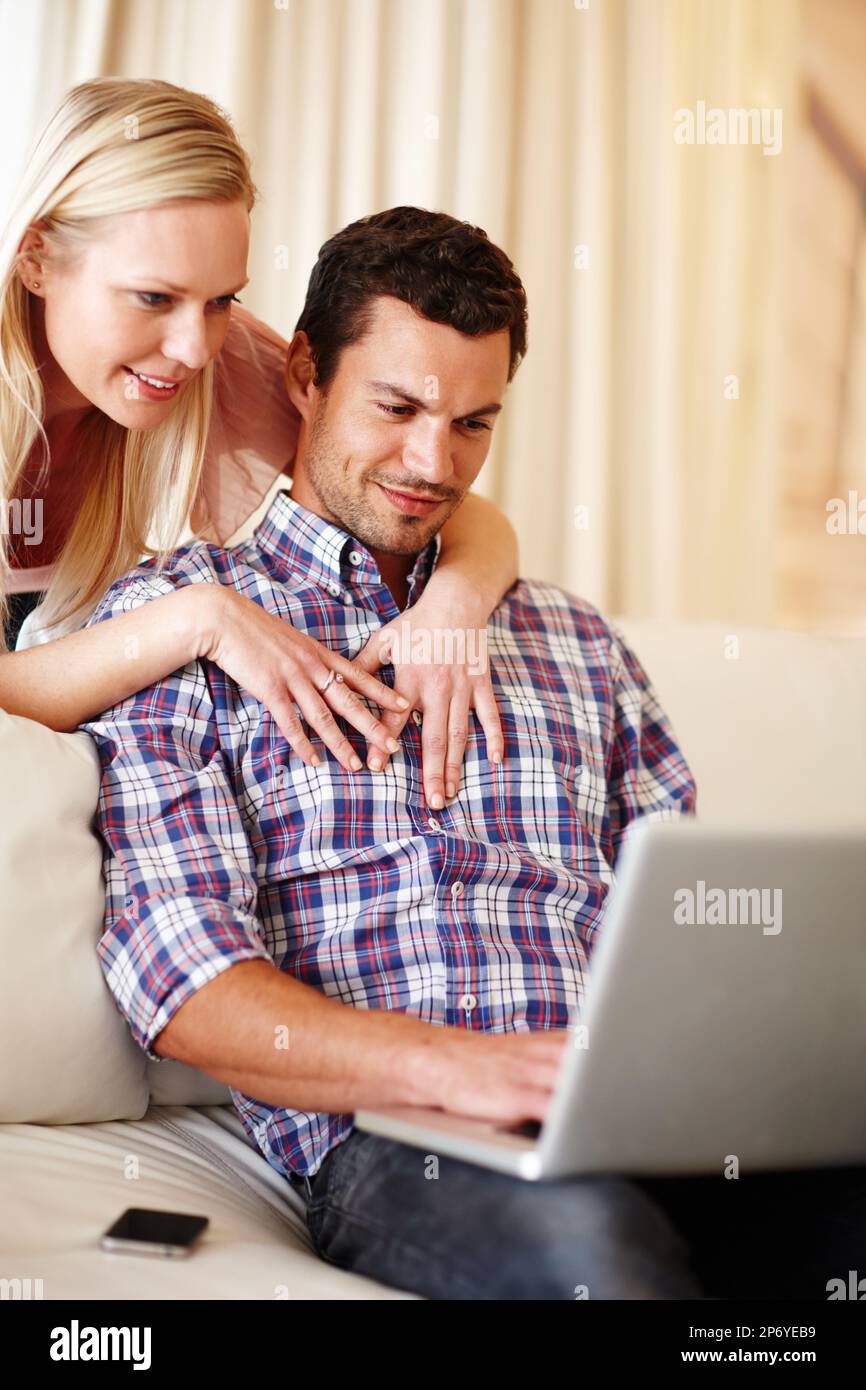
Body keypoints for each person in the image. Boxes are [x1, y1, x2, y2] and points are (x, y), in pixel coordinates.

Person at [78, 206, 865, 1301]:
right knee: (590, 1257)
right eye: (395, 407)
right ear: (305, 370)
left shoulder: (573, 638)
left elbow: (691, 935)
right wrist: (459, 1065)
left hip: (629, 1117)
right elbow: (184, 982)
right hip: (402, 1143)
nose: (429, 461)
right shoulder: (186, 623)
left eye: (473, 424)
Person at [0, 77, 517, 808]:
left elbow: (426, 487)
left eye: (221, 300)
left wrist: (447, 612)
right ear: (36, 261)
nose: (191, 347)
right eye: (154, 297)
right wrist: (203, 617)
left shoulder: (217, 363)